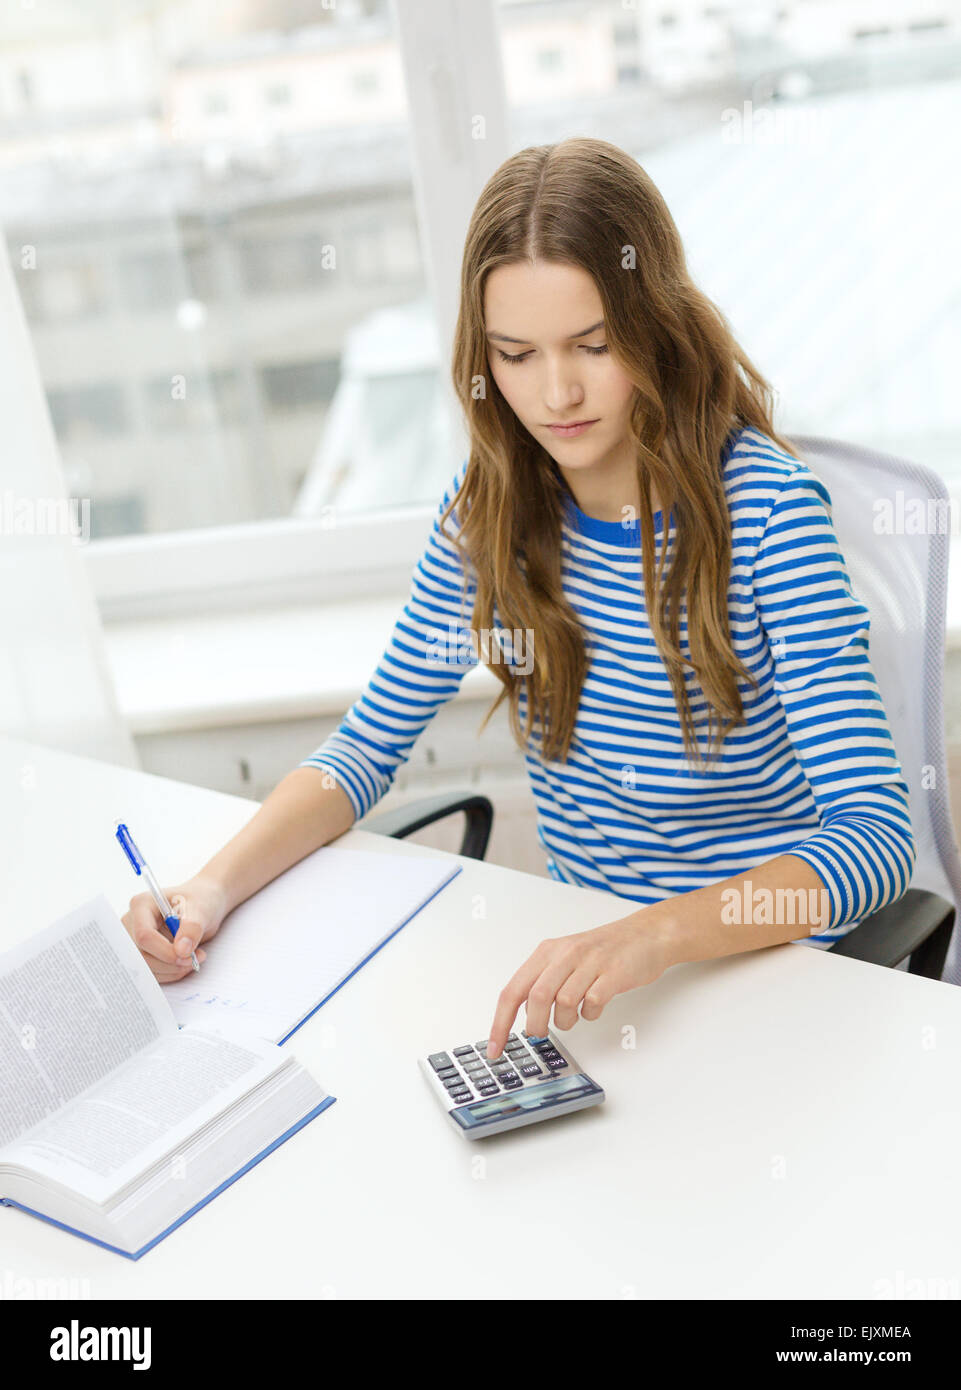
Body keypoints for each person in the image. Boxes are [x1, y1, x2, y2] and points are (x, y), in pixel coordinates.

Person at [122, 136, 916, 1063]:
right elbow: (365, 749)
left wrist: (652, 936)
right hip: (592, 980)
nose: (557, 393)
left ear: (655, 325)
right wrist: (209, 891)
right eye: (517, 354)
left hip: (754, 970)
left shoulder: (768, 515)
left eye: (594, 345)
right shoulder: (491, 507)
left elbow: (874, 838)